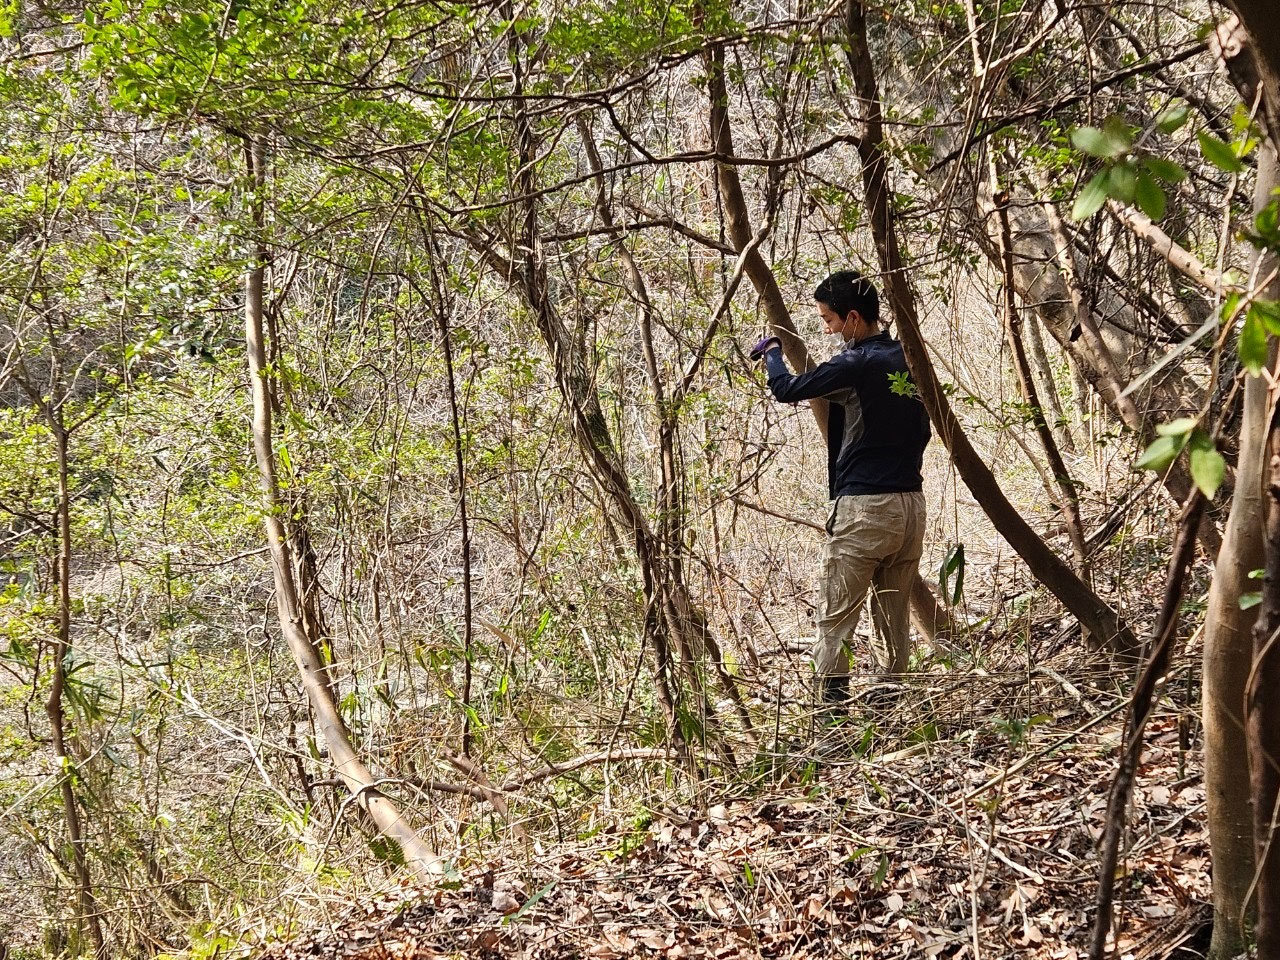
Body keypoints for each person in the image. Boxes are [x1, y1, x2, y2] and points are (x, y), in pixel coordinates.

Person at [750, 269, 930, 712]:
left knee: (835, 618)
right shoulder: (907, 355)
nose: (828, 329)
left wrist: (772, 352)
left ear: (853, 317)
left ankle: (831, 724)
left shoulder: (859, 362)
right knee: (893, 619)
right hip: (911, 507)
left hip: (866, 509)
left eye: (829, 319)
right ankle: (893, 714)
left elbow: (788, 388)